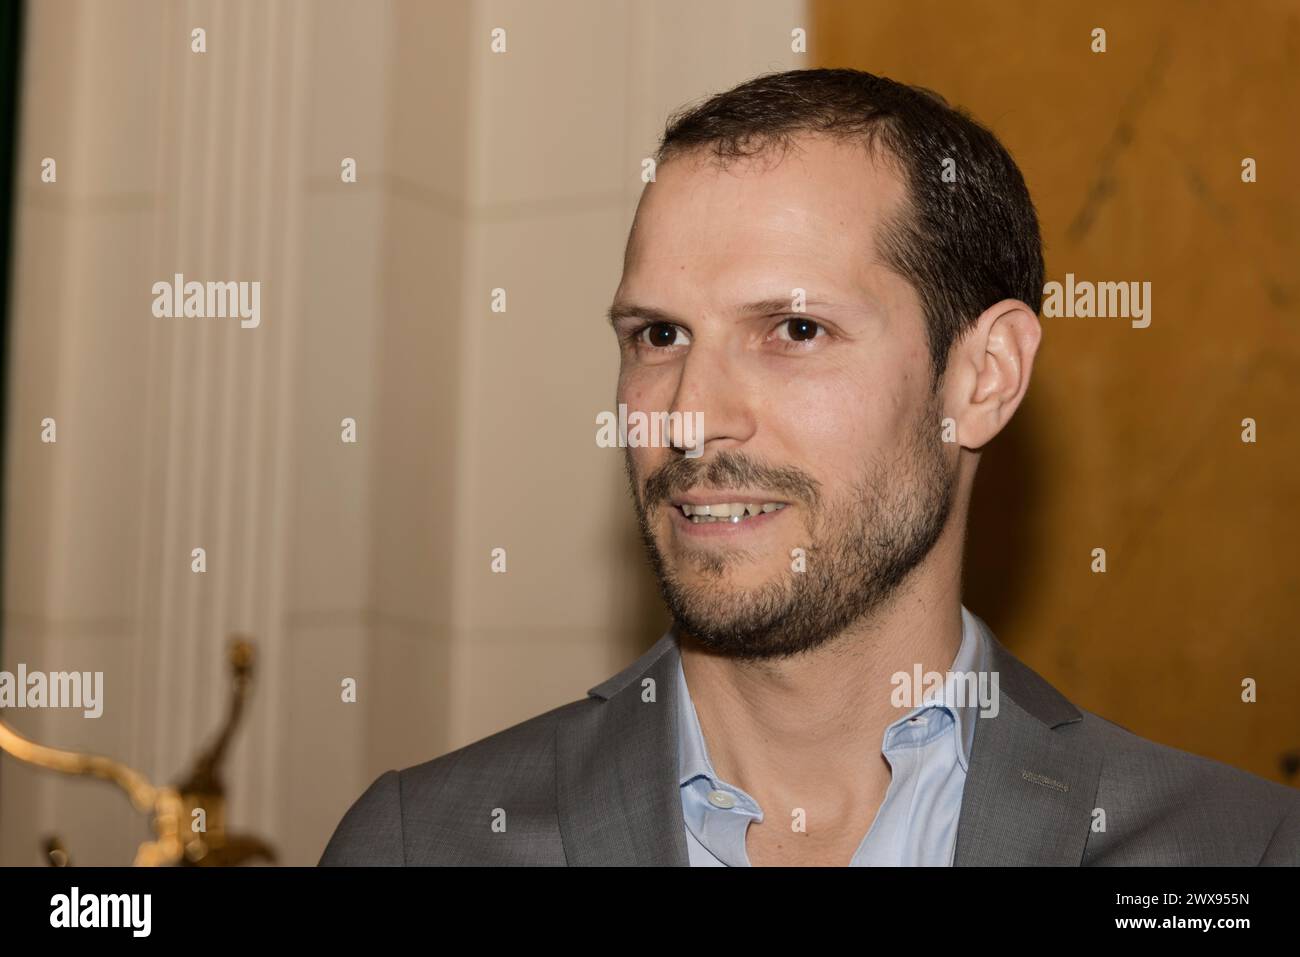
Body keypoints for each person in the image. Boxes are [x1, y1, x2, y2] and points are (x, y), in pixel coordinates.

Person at [320, 68, 1299, 866]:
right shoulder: (424, 844)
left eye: (794, 328)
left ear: (982, 378)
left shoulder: (1229, 854)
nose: (691, 416)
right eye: (658, 333)